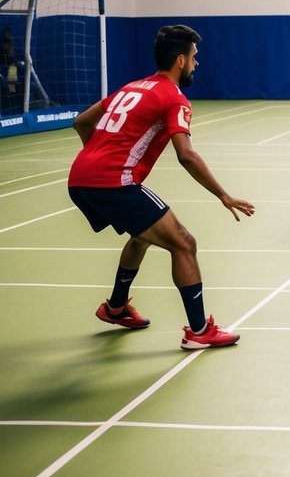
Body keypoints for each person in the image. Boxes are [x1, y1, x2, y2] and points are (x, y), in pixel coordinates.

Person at [67, 25, 255, 350]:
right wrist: (223, 195)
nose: (197, 64)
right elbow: (187, 155)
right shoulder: (174, 98)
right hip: (114, 181)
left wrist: (96, 157)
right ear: (180, 61)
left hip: (80, 178)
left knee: (141, 237)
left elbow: (82, 121)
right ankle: (198, 331)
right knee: (184, 243)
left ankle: (116, 307)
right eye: (195, 58)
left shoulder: (132, 87)